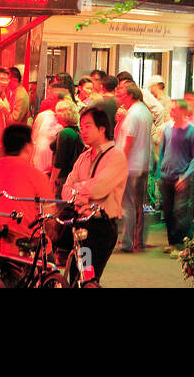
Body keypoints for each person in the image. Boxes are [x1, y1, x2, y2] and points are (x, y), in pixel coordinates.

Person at [61, 106, 129, 282]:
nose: (83, 131)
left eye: (88, 126)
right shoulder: (84, 157)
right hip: (80, 225)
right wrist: (84, 192)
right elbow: (65, 190)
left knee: (88, 278)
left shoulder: (115, 156)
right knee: (78, 277)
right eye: (81, 127)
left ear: (102, 129)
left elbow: (99, 189)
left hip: (100, 227)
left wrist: (80, 190)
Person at [0, 124, 55, 250]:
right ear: (27, 147)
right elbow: (49, 218)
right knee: (51, 263)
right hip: (29, 250)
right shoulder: (38, 177)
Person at [157, 100, 194, 253]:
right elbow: (163, 150)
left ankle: (182, 245)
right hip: (166, 176)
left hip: (183, 177)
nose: (171, 111)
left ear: (183, 112)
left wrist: (186, 176)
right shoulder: (167, 129)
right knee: (169, 211)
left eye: (174, 109)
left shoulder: (193, 132)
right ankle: (172, 243)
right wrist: (160, 172)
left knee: (181, 211)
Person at [115, 82, 153, 252]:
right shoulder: (144, 111)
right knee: (139, 204)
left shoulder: (133, 114)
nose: (120, 97)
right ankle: (139, 241)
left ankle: (127, 242)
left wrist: (120, 164)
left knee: (127, 204)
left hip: (131, 164)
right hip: (143, 163)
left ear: (131, 95)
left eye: (122, 94)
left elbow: (128, 142)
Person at [50, 99, 83, 193]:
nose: (55, 114)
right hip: (71, 177)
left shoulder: (64, 132)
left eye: (58, 111)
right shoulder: (75, 131)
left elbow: (59, 160)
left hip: (62, 178)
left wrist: (52, 181)